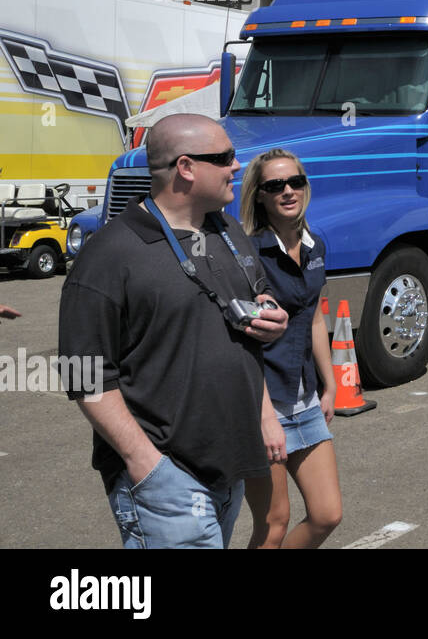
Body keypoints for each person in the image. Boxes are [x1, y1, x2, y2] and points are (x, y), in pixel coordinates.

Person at [58, 114, 288, 548]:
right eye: (224, 158)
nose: (237, 167)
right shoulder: (110, 255)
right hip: (165, 477)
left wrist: (272, 314)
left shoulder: (225, 230)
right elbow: (82, 372)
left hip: (226, 466)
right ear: (185, 168)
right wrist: (143, 460)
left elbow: (257, 298)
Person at [240, 148, 342, 549]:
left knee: (326, 514)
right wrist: (264, 415)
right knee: (273, 524)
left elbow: (314, 317)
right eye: (275, 185)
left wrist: (329, 385)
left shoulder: (315, 246)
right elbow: (242, 342)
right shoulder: (249, 256)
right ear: (260, 195)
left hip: (305, 400)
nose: (288, 191)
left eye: (295, 182)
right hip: (266, 405)